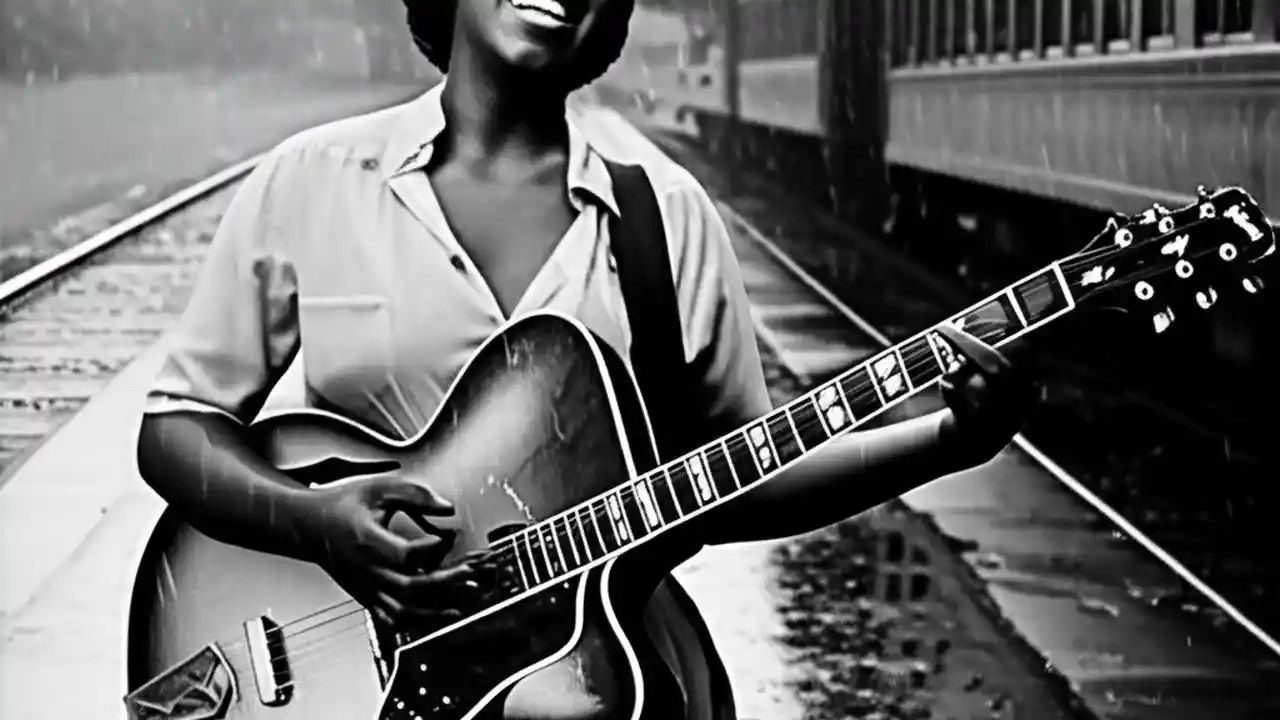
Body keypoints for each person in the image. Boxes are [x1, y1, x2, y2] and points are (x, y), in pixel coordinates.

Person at [135, 0, 1035, 717]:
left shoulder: (665, 219)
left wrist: (948, 440)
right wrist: (313, 521)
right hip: (359, 684)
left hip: (601, 683)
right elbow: (177, 427)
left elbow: (741, 478)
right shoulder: (313, 180)